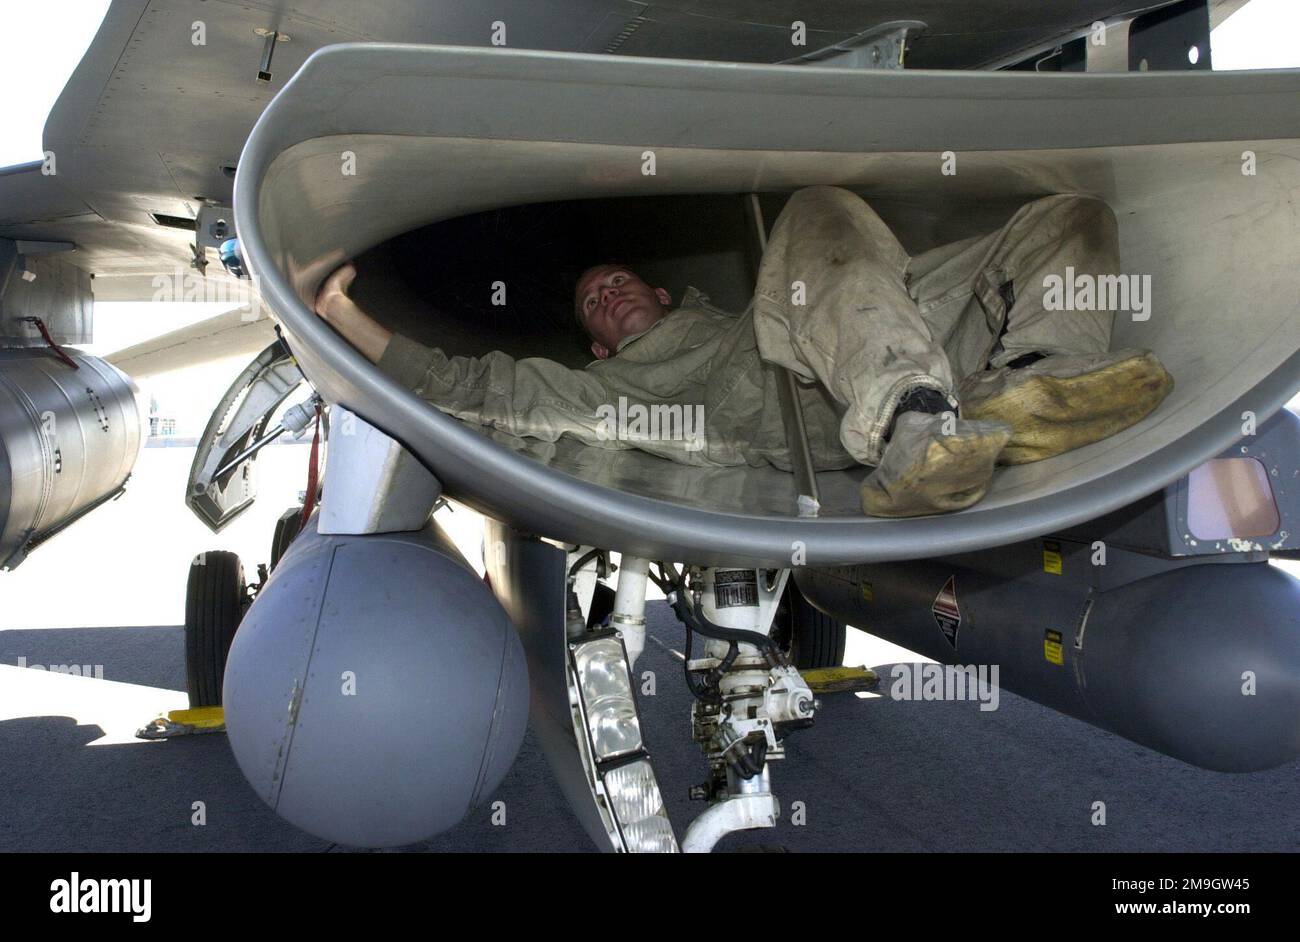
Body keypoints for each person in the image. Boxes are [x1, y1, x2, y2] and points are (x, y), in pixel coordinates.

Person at [313, 186, 1172, 517]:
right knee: (813, 212)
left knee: (1072, 217)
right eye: (592, 304)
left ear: (664, 293)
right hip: (819, 408)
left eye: (618, 281)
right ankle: (918, 427)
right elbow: (474, 387)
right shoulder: (622, 392)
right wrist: (341, 315)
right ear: (599, 350)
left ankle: (1030, 382)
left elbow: (853, 286)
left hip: (892, 339)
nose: (608, 291)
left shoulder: (738, 310)